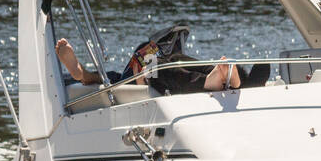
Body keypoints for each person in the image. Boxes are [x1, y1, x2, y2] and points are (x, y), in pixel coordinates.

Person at [56, 37, 241, 94]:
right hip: (137, 81)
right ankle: (82, 73)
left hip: (131, 79)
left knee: (174, 58)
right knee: (158, 66)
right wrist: (141, 80)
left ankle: (218, 72)